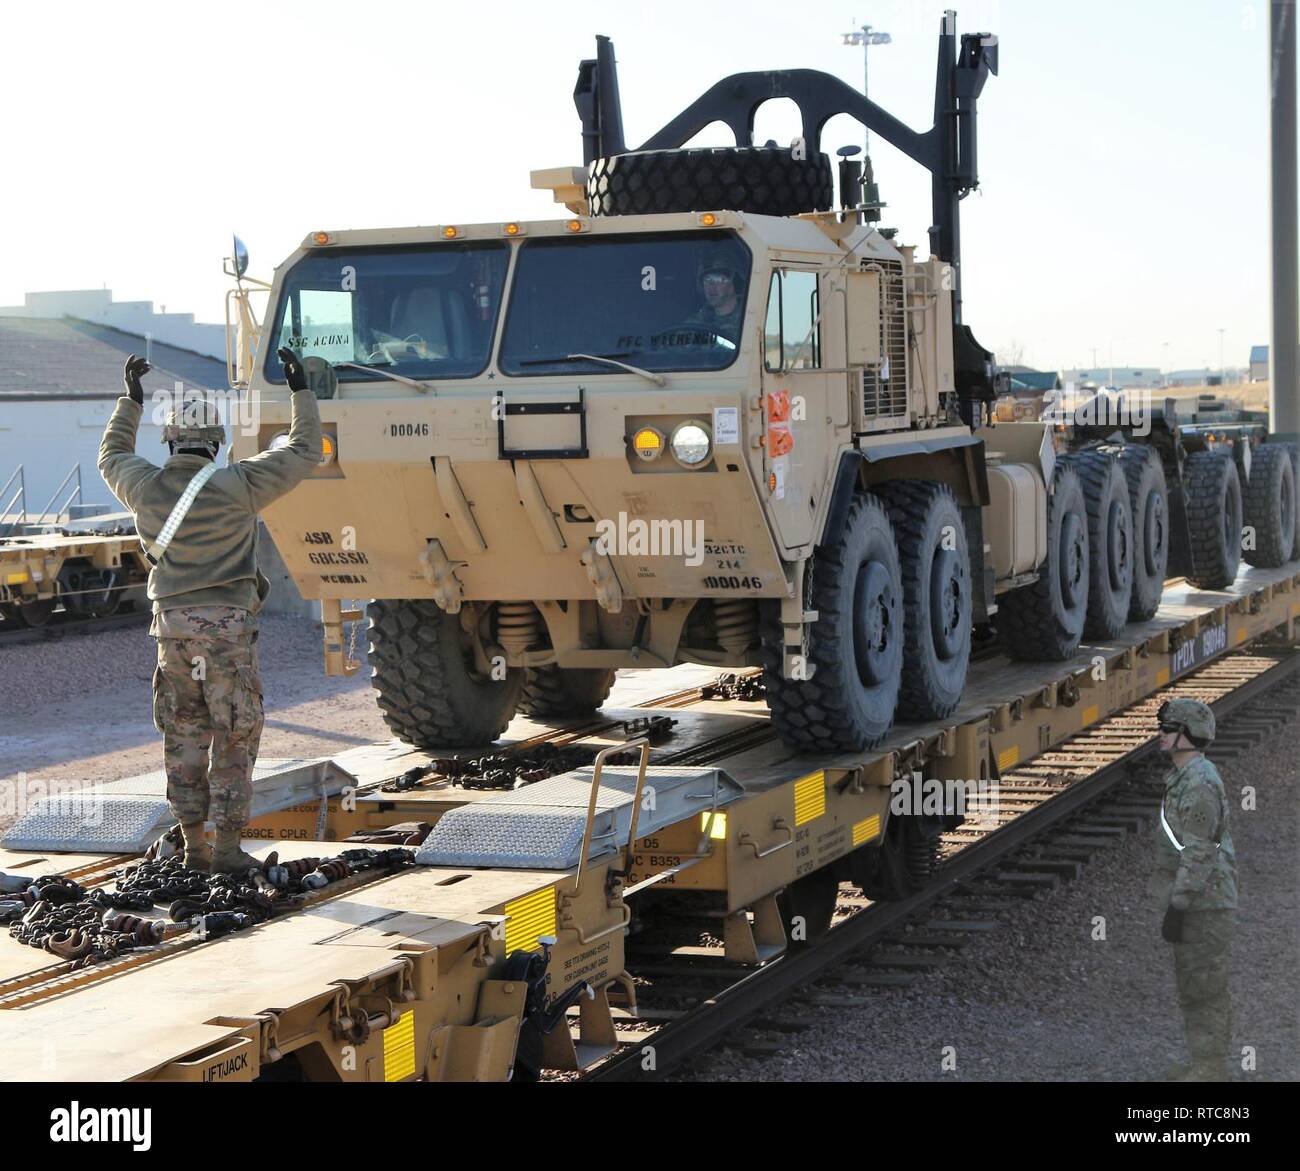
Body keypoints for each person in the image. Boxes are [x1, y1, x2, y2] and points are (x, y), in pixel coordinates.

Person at [98, 348, 321, 875]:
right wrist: (301, 391)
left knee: (184, 735)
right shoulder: (240, 485)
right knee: (235, 735)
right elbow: (305, 448)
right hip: (227, 631)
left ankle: (194, 847)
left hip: (171, 630)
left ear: (170, 440)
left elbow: (111, 454)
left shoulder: (144, 487)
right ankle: (225, 851)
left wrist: (130, 401)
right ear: (216, 443)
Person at [1150, 697, 1237, 1081]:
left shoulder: (1199, 783)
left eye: (1169, 729)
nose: (1161, 735)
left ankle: (1210, 1068)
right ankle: (1202, 1062)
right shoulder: (1184, 778)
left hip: (1204, 903)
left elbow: (1200, 851)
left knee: (1204, 985)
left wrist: (1179, 904)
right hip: (1197, 901)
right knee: (1193, 983)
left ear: (1188, 736)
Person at [683, 258, 745, 343]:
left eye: (720, 280)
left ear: (735, 283)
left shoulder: (747, 320)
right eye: (707, 280)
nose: (712, 286)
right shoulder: (695, 323)